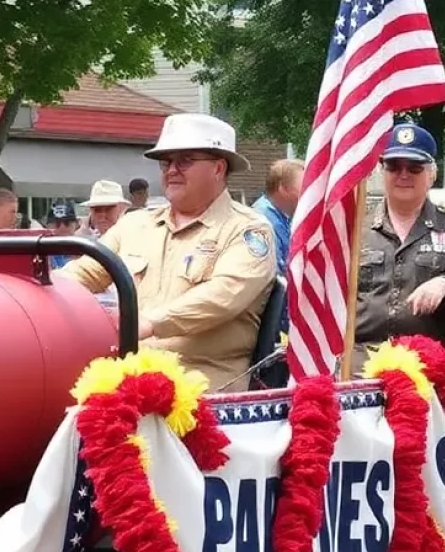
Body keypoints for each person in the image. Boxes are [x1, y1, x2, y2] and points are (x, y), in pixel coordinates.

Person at [58, 113, 276, 391]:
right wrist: (41, 291)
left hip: (203, 392)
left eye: (184, 160)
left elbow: (224, 294)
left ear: (218, 168)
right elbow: (84, 272)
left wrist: (150, 322)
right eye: (165, 162)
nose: (171, 170)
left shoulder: (248, 230)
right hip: (126, 380)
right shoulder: (135, 224)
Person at [354, 122, 445, 364]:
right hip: (363, 359)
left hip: (430, 361)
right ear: (382, 171)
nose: (403, 175)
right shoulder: (356, 229)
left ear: (432, 174)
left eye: (414, 168)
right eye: (393, 166)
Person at [252, 159, 304, 277]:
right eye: (304, 186)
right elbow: (275, 278)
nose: (308, 193)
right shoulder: (262, 221)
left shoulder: (284, 217)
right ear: (283, 188)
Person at [45, 200, 80, 269]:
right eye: (57, 224)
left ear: (76, 224)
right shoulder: (40, 254)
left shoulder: (86, 250)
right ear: (47, 226)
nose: (62, 227)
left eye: (67, 223)